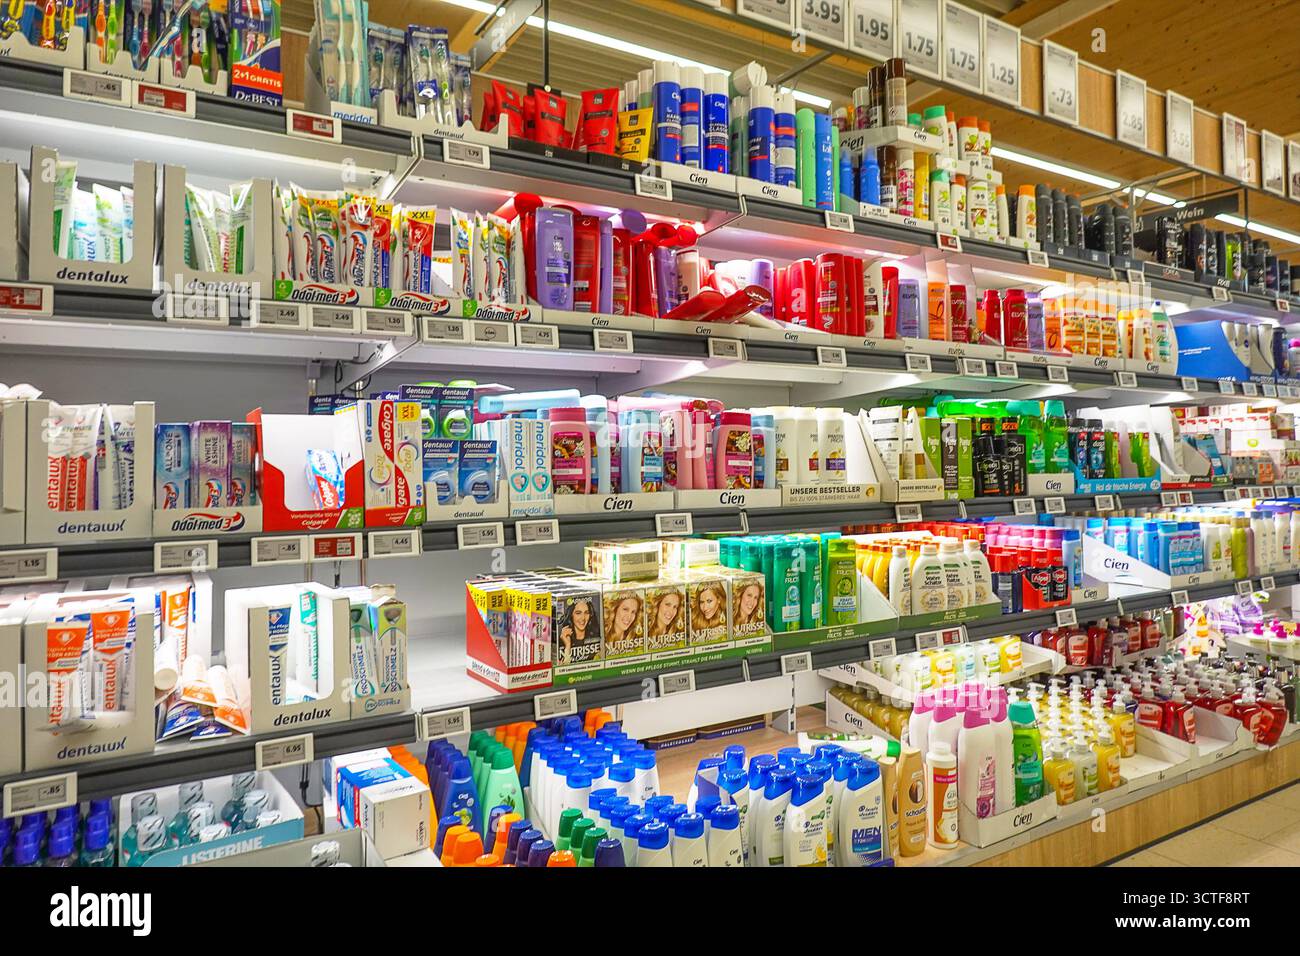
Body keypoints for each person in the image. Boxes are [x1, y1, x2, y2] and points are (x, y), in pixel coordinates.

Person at [557, 597, 597, 665]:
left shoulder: (596, 638)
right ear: (571, 615)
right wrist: (568, 645)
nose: (583, 618)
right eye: (578, 613)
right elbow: (563, 669)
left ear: (590, 615)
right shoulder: (562, 639)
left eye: (586, 613)